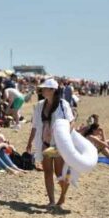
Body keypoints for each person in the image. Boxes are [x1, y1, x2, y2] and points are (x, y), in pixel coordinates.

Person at [26, 78, 75, 208]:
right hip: (45, 143)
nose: (42, 90)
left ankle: (63, 196)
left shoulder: (63, 104)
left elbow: (71, 122)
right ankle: (52, 201)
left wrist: (65, 137)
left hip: (59, 143)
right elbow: (35, 125)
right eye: (42, 88)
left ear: (53, 90)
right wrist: (29, 142)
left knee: (59, 173)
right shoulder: (39, 106)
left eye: (45, 88)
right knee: (47, 172)